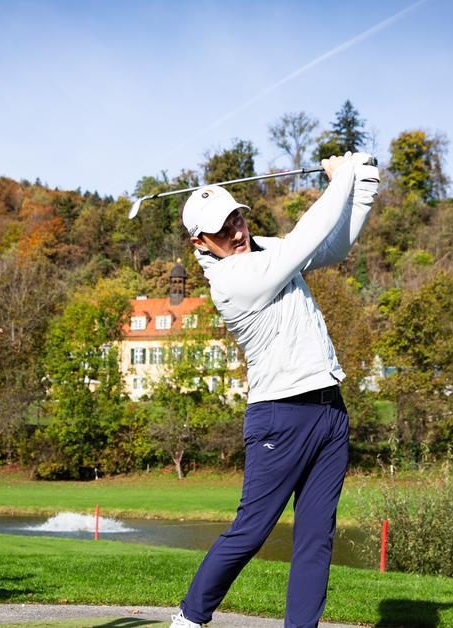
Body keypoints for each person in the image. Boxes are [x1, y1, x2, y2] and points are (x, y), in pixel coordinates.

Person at [171, 152, 380, 628]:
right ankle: (190, 618)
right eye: (222, 230)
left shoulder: (261, 250)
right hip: (280, 416)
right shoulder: (231, 280)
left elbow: (331, 247)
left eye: (237, 219)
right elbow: (304, 240)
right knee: (252, 530)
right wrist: (341, 178)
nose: (237, 233)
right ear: (200, 242)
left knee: (316, 537)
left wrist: (363, 185)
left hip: (330, 410)